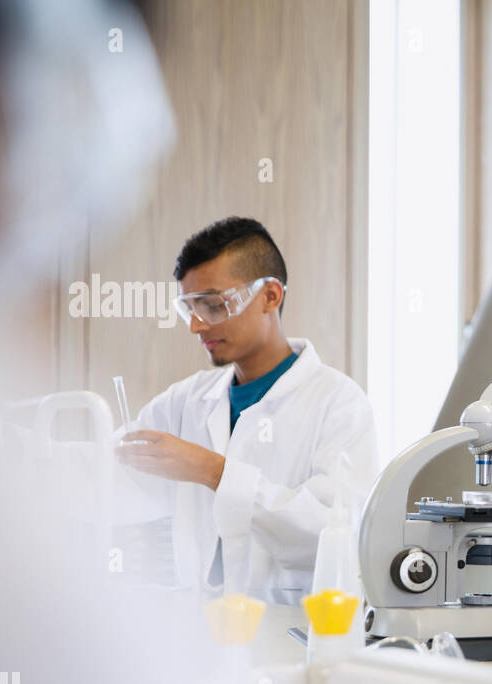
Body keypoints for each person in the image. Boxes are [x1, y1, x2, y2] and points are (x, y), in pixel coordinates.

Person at [115, 217, 377, 605]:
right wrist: (14, 446)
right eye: (189, 309)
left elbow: (332, 533)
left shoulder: (339, 403)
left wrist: (214, 472)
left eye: (213, 305)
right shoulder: (186, 400)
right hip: (201, 631)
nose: (197, 326)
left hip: (293, 632)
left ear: (270, 296)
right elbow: (111, 470)